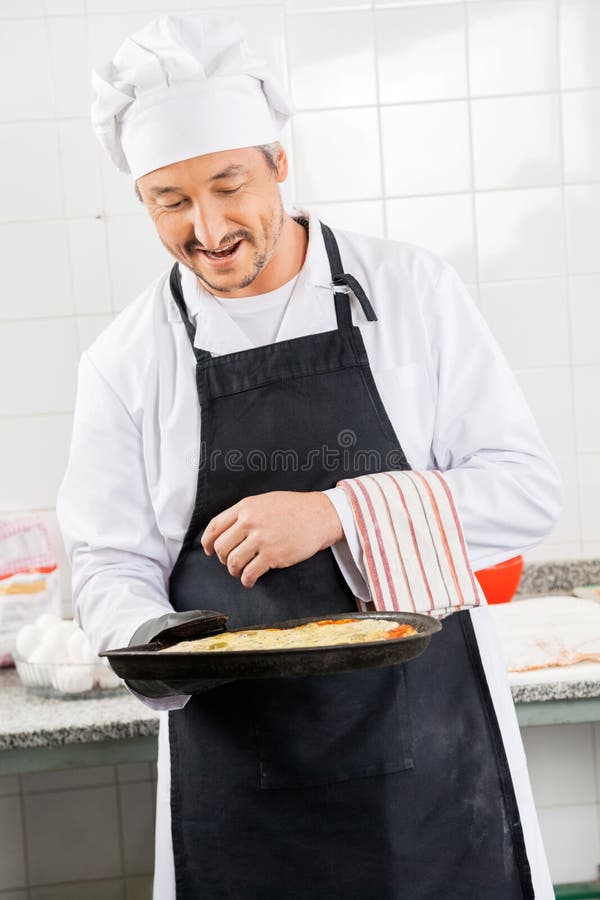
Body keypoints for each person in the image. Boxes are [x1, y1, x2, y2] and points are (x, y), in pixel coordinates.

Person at [57, 13, 562, 900]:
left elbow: (526, 493)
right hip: (239, 772)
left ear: (279, 164)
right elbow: (108, 558)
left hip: (432, 764)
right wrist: (159, 638)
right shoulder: (128, 360)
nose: (207, 226)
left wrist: (336, 511)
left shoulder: (410, 293)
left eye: (228, 184)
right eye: (170, 200)